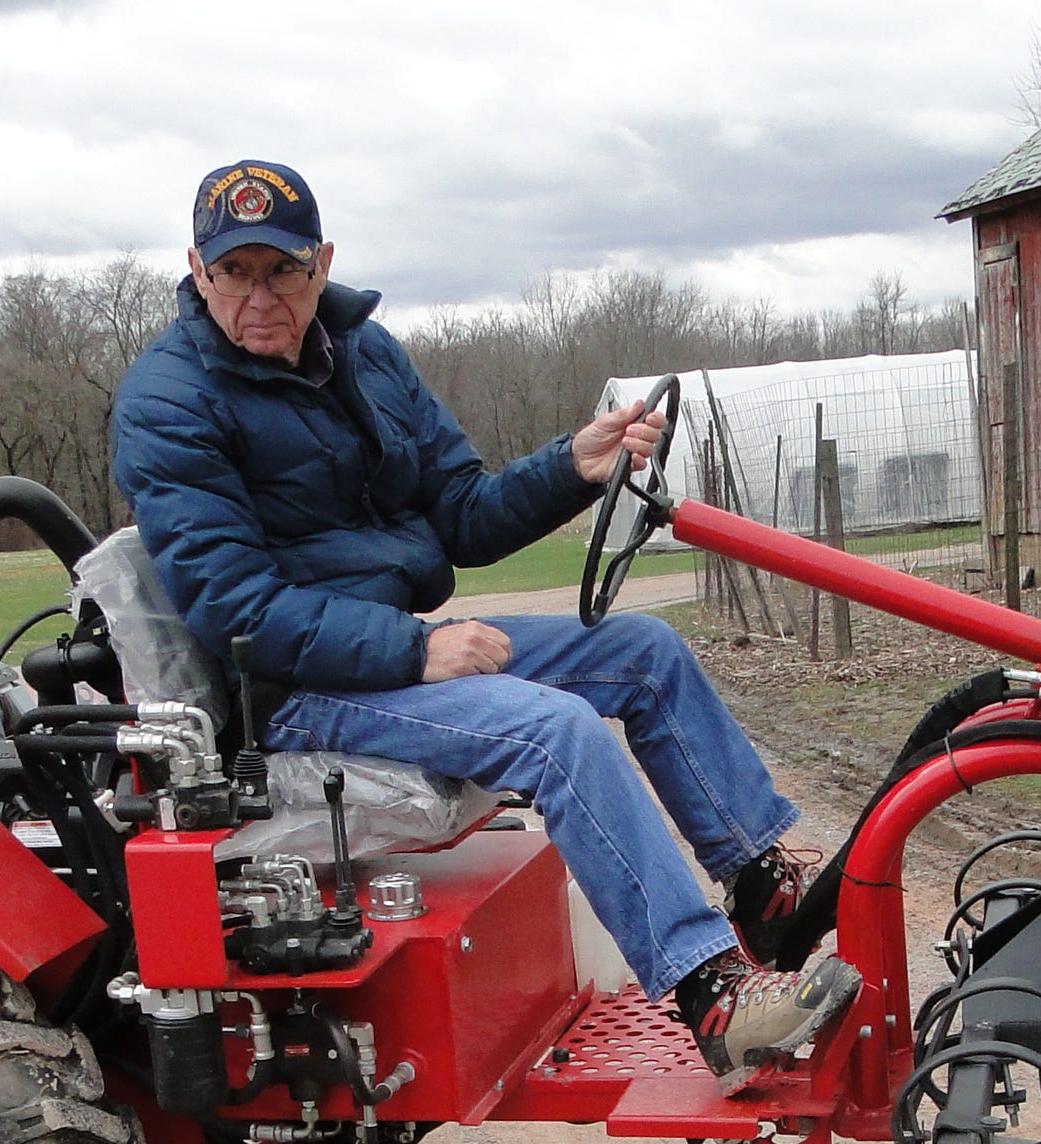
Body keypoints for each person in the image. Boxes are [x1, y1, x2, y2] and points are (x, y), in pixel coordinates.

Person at [112, 161, 857, 1093]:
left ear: (322, 263)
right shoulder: (169, 401)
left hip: (384, 647)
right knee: (556, 731)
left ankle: (762, 895)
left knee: (643, 651)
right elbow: (234, 607)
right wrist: (417, 650)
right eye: (234, 273)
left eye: (282, 271)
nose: (258, 297)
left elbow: (460, 512)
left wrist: (569, 468)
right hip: (298, 690)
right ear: (196, 268)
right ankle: (711, 995)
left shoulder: (365, 354)